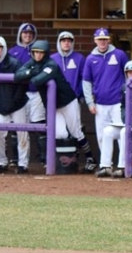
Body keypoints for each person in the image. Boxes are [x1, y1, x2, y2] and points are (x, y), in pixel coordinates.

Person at [14, 40, 94, 174]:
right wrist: (31, 71)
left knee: (76, 132)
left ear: (45, 54)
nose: (38, 55)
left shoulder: (52, 64)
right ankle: (68, 158)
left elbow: (37, 80)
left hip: (67, 101)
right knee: (59, 133)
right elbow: (17, 76)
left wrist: (30, 72)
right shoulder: (32, 63)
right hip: (53, 106)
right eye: (36, 52)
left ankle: (90, 159)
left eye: (41, 53)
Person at [82, 27, 129, 174]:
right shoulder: (90, 59)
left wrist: (127, 96)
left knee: (122, 134)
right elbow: (86, 81)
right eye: (99, 39)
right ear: (95, 40)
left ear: (109, 39)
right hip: (100, 103)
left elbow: (129, 74)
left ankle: (123, 166)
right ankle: (106, 165)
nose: (102, 42)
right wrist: (90, 102)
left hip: (118, 102)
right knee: (102, 136)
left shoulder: (119, 54)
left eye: (105, 39)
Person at [0, 36, 28, 174]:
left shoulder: (14, 63)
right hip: (0, 106)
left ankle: (23, 164)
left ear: (4, 48)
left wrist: (14, 101)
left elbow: (23, 83)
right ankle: (1, 161)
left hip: (17, 105)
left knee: (22, 134)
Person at [7, 23, 45, 165]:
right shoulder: (12, 51)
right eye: (25, 33)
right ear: (20, 34)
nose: (27, 35)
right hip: (19, 94)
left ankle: (44, 159)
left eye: (30, 33)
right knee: (17, 126)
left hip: (36, 92)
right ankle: (15, 159)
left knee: (39, 124)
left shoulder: (39, 50)